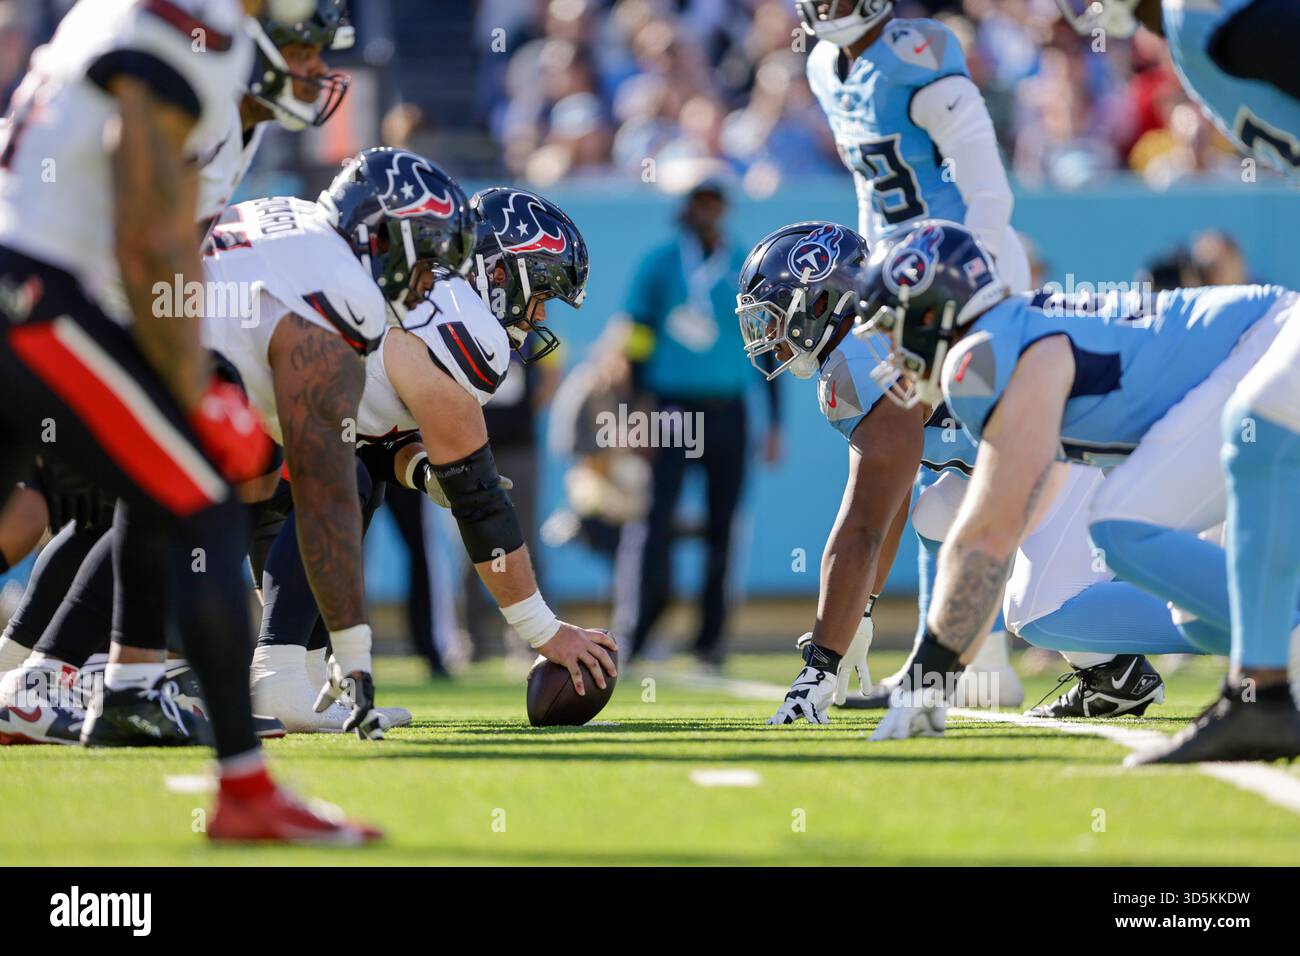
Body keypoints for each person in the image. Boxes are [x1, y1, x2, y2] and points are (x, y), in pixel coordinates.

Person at [0, 0, 377, 843]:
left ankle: (131, 695)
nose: (317, 73)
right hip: (38, 294)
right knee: (200, 490)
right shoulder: (192, 31)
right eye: (306, 50)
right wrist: (183, 387)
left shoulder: (194, 53)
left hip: (36, 285)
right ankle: (244, 788)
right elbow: (146, 230)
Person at [859, 219, 1300, 764]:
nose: (889, 353)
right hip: (1269, 351)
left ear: (930, 313)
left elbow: (988, 531)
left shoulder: (984, 355)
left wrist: (930, 673)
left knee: (1122, 522)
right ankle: (1264, 702)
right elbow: (1011, 522)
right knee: (1198, 618)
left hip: (1268, 349)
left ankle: (1269, 695)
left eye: (891, 327)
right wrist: (939, 668)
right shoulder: (1007, 333)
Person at [741, 221, 1187, 726]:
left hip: (1081, 438)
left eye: (774, 318)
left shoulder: (859, 361)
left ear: (818, 300)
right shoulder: (862, 349)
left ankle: (1250, 618)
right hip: (1048, 438)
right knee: (937, 513)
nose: (768, 338)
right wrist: (859, 613)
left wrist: (823, 661)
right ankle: (1114, 673)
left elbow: (863, 527)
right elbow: (886, 505)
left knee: (1041, 609)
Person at [247, 184, 617, 726]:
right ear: (497, 272)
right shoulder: (455, 320)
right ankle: (233, 673)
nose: (538, 313)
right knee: (332, 483)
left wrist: (421, 469)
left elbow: (372, 431)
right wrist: (545, 631)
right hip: (231, 394)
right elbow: (480, 503)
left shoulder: (413, 285)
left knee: (351, 478)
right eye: (540, 292)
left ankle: (292, 673)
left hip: (258, 401)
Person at [799, 0, 1038, 700]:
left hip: (970, 273)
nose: (829, 10)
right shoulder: (822, 65)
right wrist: (877, 279)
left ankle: (1034, 641)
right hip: (904, 282)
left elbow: (988, 192)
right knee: (926, 484)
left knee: (1004, 469)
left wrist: (979, 290)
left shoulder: (920, 51)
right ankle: (941, 658)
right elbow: (871, 192)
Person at [611, 175, 782, 670]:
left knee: (724, 526)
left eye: (715, 202)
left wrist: (773, 423)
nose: (707, 212)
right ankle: (640, 632)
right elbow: (637, 339)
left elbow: (765, 345)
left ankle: (710, 640)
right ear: (685, 209)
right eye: (699, 202)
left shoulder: (743, 264)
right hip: (672, 407)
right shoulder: (662, 263)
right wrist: (635, 409)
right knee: (657, 521)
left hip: (728, 408)